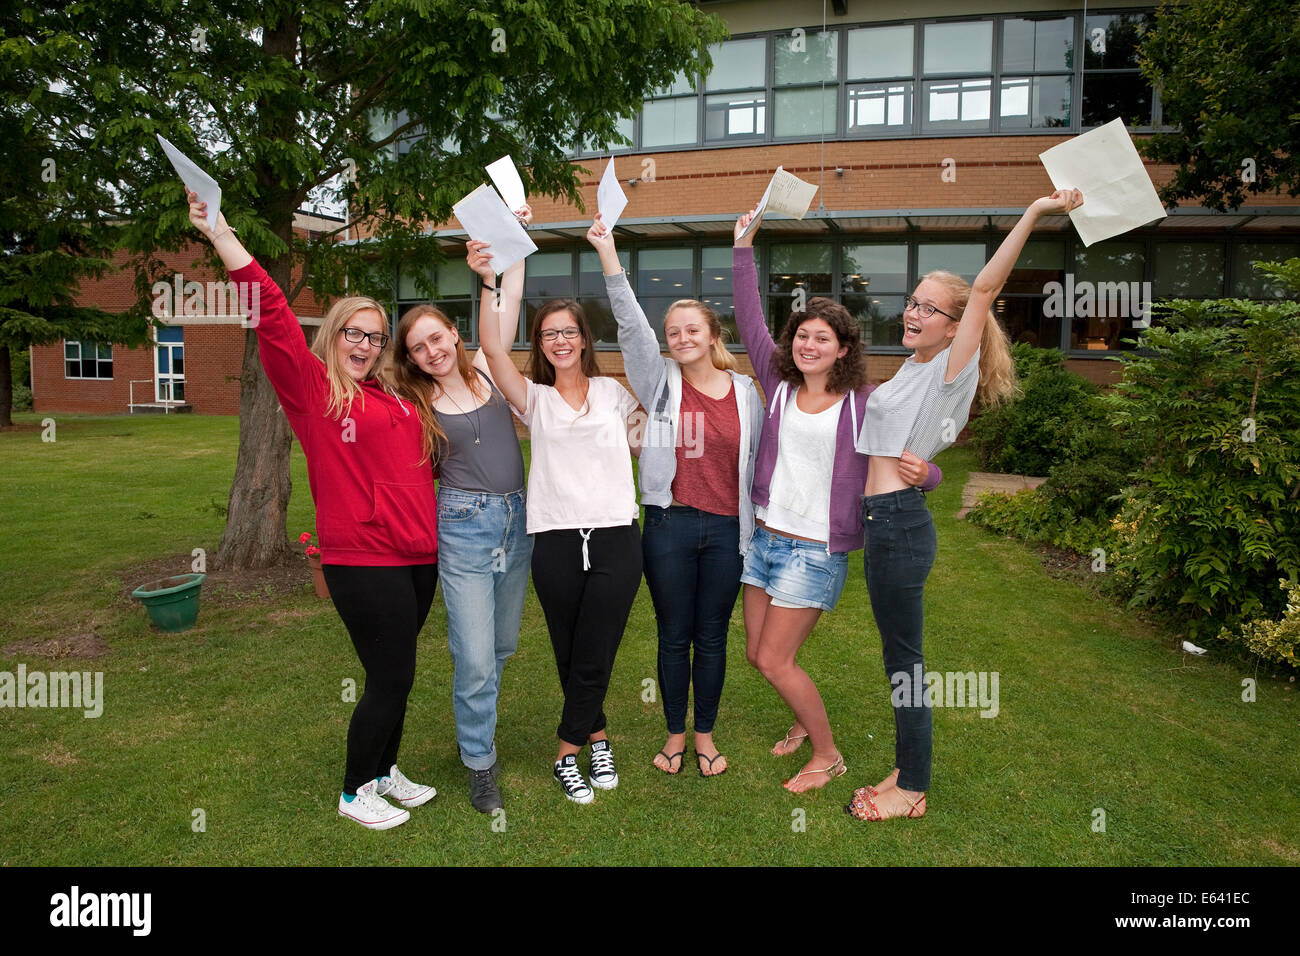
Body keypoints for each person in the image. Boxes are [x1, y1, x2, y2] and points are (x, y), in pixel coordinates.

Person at [185, 190, 438, 830]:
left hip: (418, 555)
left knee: (400, 675)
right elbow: (270, 309)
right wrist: (220, 235)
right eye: (355, 332)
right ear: (334, 334)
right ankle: (356, 790)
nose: (366, 344)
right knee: (387, 678)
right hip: (364, 556)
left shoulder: (393, 395)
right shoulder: (311, 388)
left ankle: (385, 772)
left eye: (376, 338)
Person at [847, 188, 1083, 822]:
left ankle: (913, 788)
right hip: (885, 521)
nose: (914, 311)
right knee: (899, 656)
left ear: (956, 327)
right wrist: (927, 473)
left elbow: (982, 291)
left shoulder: (949, 368)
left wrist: (1036, 212)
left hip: (897, 526)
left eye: (930, 307)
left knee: (905, 661)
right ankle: (906, 764)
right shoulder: (909, 367)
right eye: (912, 301)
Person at [732, 207, 943, 793]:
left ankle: (827, 753)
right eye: (802, 335)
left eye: (822, 338)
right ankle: (803, 724)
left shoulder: (867, 403)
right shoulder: (778, 389)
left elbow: (922, 465)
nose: (808, 344)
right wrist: (742, 245)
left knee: (776, 660)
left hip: (816, 551)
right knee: (755, 654)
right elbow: (749, 317)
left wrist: (927, 473)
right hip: (767, 539)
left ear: (844, 348)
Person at [587, 214, 762, 778]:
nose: (680, 338)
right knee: (673, 636)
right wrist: (608, 252)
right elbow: (633, 327)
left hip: (729, 533)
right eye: (674, 331)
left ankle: (705, 735)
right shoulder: (660, 382)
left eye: (692, 330)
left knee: (711, 637)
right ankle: (673, 735)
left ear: (714, 336)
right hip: (670, 526)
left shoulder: (746, 393)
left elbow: (761, 464)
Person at [472, 245, 644, 805]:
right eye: (549, 334)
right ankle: (596, 739)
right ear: (541, 344)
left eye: (569, 331)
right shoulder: (534, 399)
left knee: (599, 646)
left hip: (617, 535)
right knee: (570, 650)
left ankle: (566, 752)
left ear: (583, 339)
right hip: (555, 539)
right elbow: (493, 348)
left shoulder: (616, 394)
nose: (560, 341)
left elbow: (653, 432)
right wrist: (487, 281)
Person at [391, 209, 531, 813]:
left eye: (437, 337)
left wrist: (508, 245)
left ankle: (480, 728)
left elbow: (510, 298)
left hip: (519, 523)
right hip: (464, 528)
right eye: (418, 348)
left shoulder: (492, 368)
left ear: (453, 332)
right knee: (473, 656)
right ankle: (480, 761)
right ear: (414, 358)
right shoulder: (412, 400)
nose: (431, 351)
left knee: (500, 648)